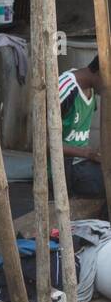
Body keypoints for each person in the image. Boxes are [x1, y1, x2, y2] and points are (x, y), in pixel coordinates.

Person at [57, 56, 104, 202]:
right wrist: (87, 153)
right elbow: (41, 142)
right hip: (61, 168)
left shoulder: (91, 89)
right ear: (100, 73)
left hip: (82, 163)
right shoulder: (64, 89)